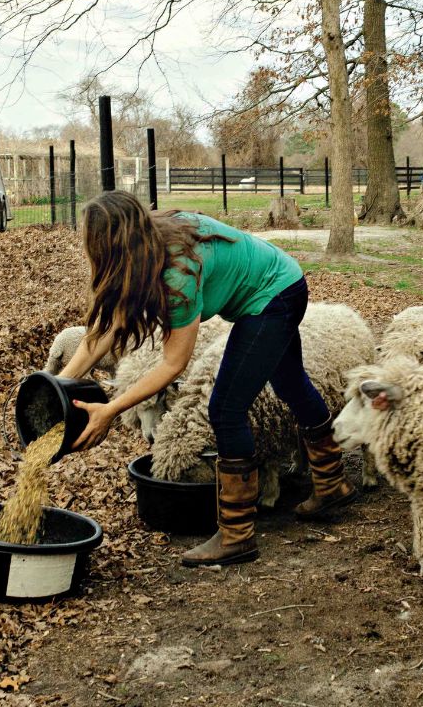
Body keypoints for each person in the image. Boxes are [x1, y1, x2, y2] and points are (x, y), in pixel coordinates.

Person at [57, 191, 358, 566]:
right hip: (282, 279)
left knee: (226, 408)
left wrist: (113, 408)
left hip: (273, 297)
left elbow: (172, 364)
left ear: (111, 245)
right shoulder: (148, 246)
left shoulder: (175, 274)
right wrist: (56, 386)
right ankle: (332, 484)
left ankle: (237, 534)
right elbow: (105, 326)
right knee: (290, 383)